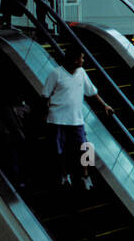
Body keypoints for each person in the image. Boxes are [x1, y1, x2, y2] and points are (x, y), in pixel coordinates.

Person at [42, 48, 114, 189]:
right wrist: (45, 115)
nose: (83, 60)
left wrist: (104, 105)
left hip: (76, 119)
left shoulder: (81, 73)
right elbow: (45, 95)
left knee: (85, 148)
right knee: (59, 149)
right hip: (57, 119)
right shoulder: (56, 74)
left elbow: (91, 92)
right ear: (74, 60)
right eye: (81, 58)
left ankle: (85, 176)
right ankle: (64, 175)